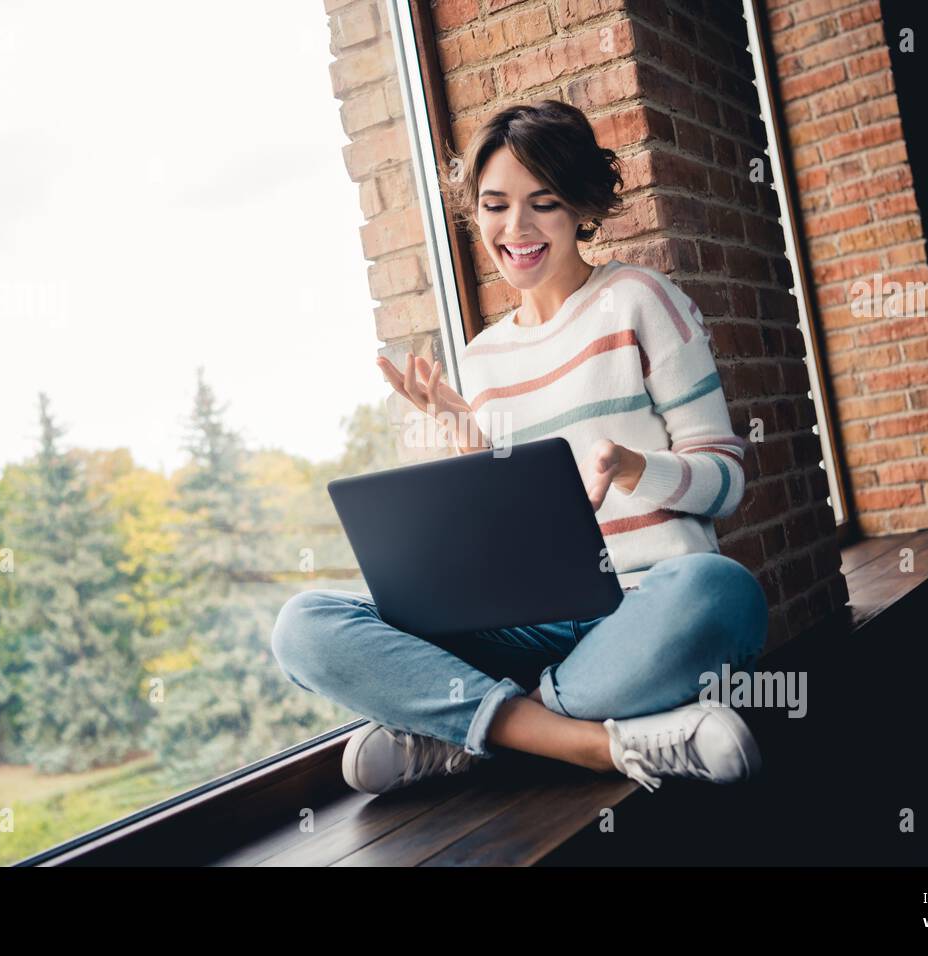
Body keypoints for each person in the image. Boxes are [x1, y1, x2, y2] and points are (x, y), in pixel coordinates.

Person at [270, 99, 768, 796]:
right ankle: (595, 742)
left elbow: (725, 479)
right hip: (530, 629)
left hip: (645, 607)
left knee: (724, 592)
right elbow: (505, 544)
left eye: (544, 203)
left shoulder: (639, 300)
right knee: (305, 624)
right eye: (496, 206)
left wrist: (633, 469)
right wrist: (465, 439)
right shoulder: (479, 362)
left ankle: (473, 735)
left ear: (582, 207)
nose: (518, 228)